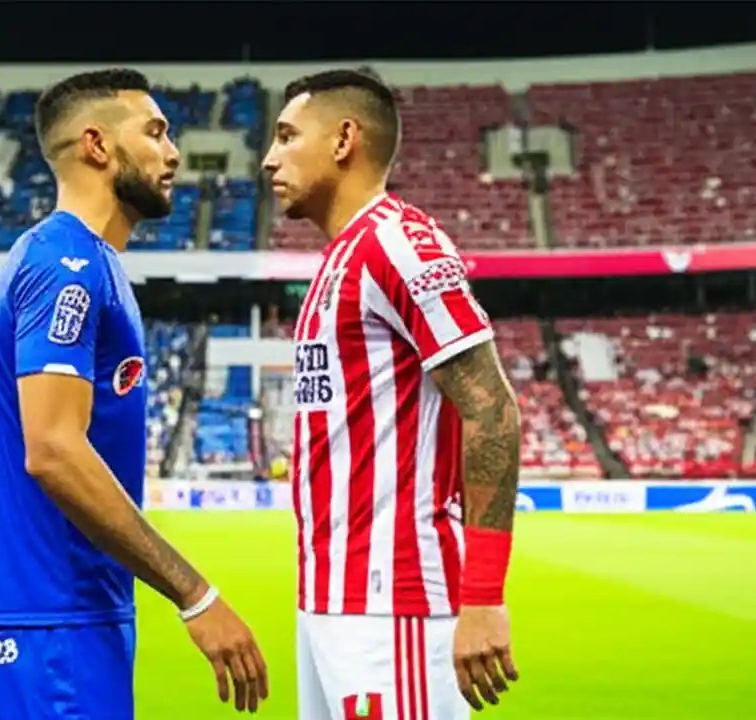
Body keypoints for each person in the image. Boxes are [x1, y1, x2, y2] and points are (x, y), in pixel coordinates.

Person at [0, 69, 267, 720]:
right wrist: (195, 594)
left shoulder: (88, 262)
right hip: (57, 615)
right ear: (97, 145)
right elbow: (52, 449)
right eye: (156, 132)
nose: (173, 152)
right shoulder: (62, 265)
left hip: (77, 609)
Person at [262, 69, 522, 719]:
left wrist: (483, 594)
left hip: (395, 603)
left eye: (288, 136)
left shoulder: (398, 243)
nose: (269, 158)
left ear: (345, 139)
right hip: (329, 600)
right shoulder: (337, 261)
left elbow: (491, 407)